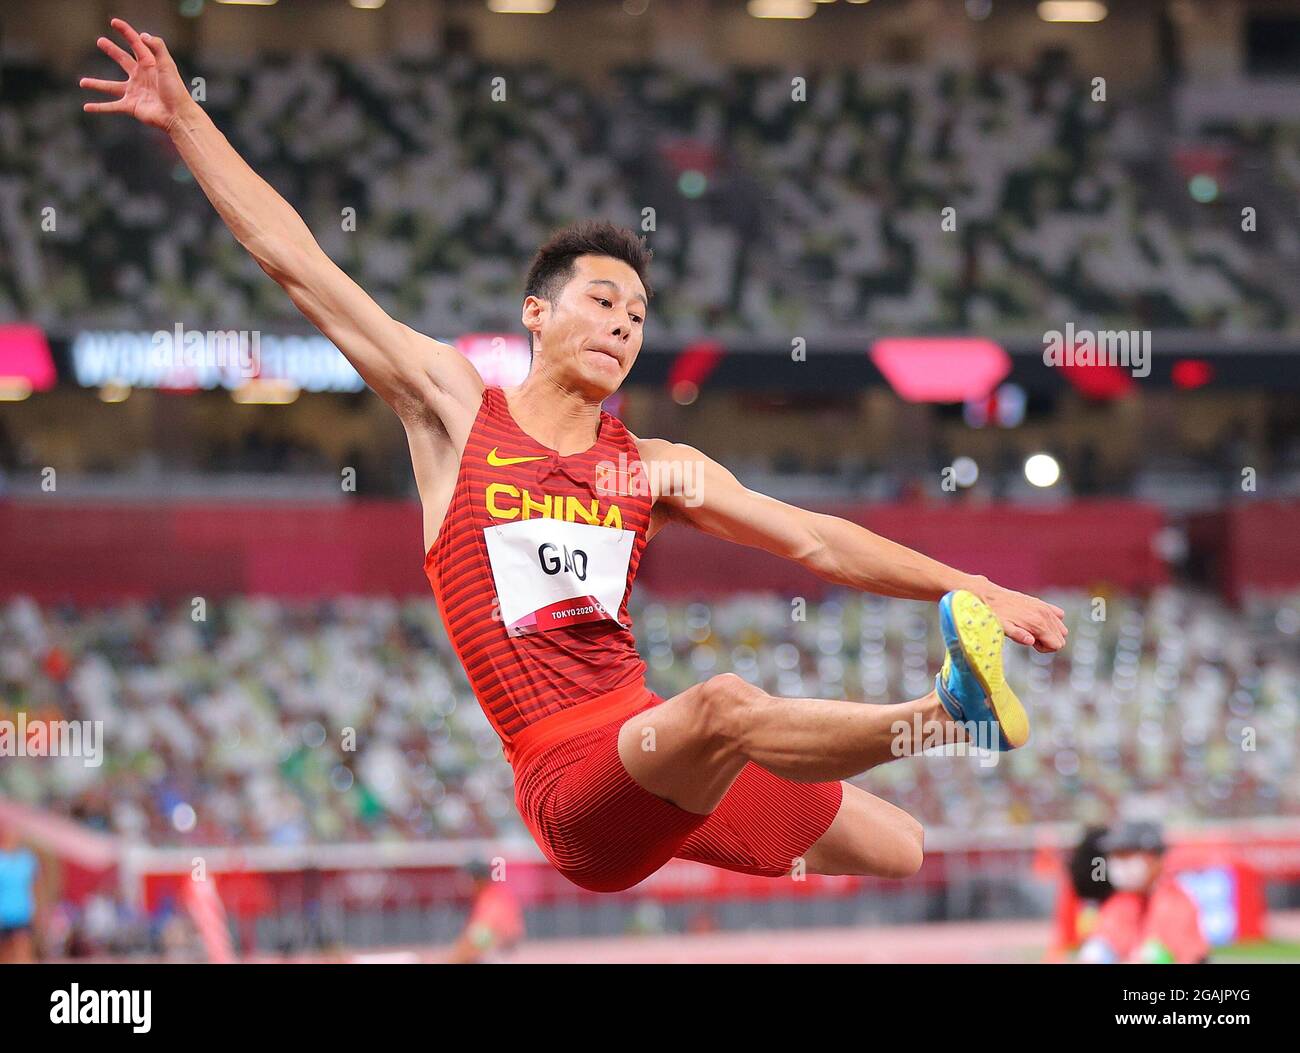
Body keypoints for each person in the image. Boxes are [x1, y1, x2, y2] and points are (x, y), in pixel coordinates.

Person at [81, 20, 1068, 894]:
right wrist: (185, 123)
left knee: (897, 844)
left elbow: (813, 541)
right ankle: (945, 712)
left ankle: (748, 786)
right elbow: (298, 265)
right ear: (535, 314)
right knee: (724, 703)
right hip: (569, 788)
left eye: (638, 316)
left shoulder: (652, 465)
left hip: (649, 750)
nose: (623, 324)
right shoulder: (453, 409)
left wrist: (972, 582)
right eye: (602, 302)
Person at [1079, 820, 1210, 964]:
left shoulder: (1174, 901)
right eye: (1114, 856)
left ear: (1154, 858)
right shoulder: (1122, 901)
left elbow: (1166, 955)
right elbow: (1105, 940)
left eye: (1125, 855)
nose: (1118, 863)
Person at [446, 861, 525, 964]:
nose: (463, 884)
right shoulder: (488, 896)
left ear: (477, 880)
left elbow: (480, 936)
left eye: (466, 879)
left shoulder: (493, 899)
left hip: (500, 953)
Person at [0, 825, 40, 963]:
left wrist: (36, 910)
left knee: (23, 950)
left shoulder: (28, 860)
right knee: (4, 953)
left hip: (22, 912)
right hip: (3, 913)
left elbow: (34, 886)